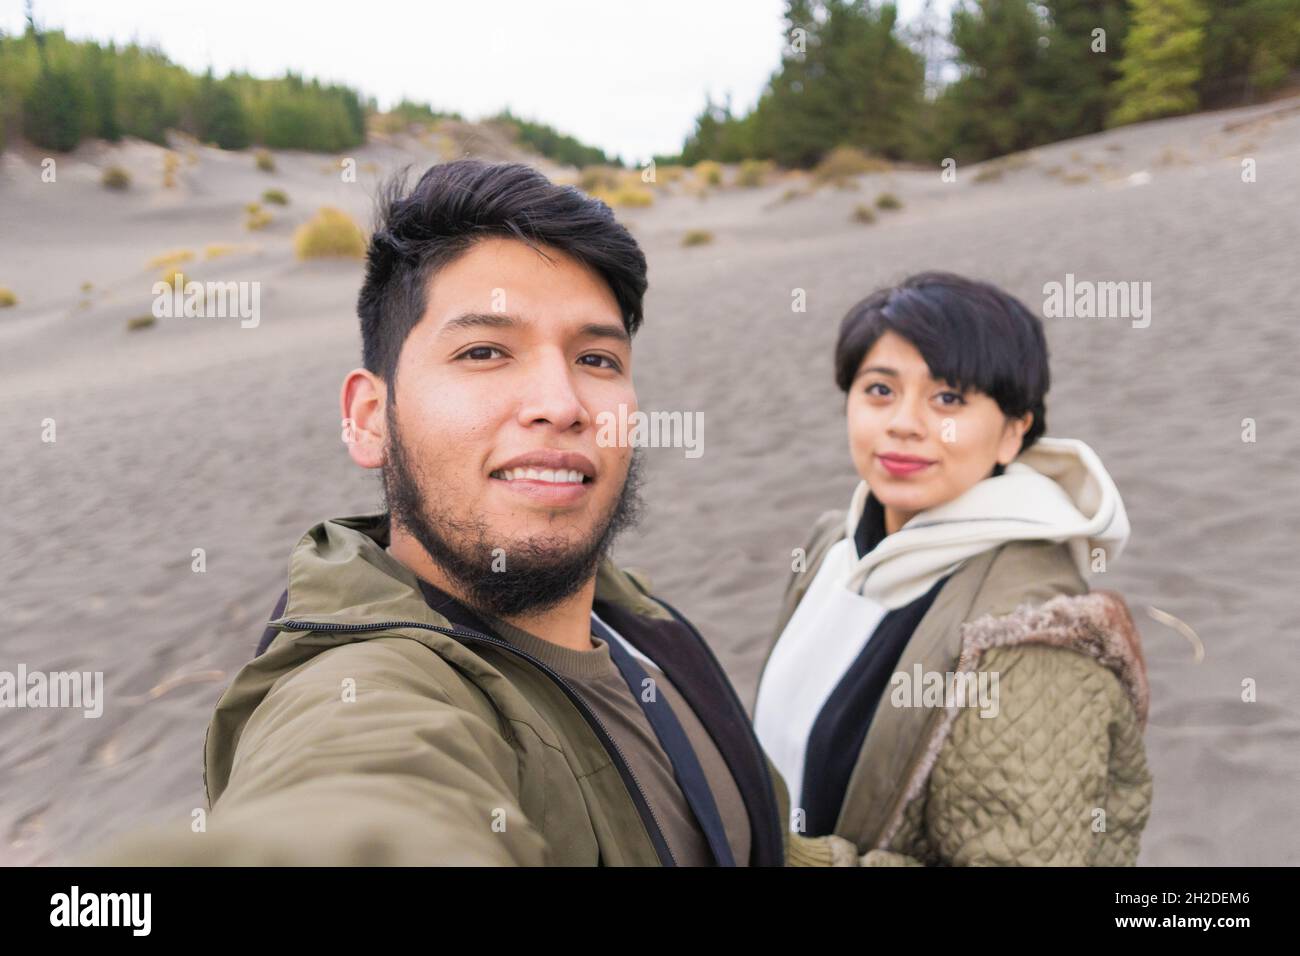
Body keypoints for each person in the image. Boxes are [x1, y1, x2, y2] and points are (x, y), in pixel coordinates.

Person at [87, 159, 845, 866]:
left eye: (597, 359)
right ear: (368, 418)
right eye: (484, 352)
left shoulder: (636, 623)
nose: (561, 404)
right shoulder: (362, 692)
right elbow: (360, 800)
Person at [754, 271, 1153, 866]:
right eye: (880, 390)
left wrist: (785, 856)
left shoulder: (1033, 636)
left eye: (949, 398)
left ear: (1013, 431)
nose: (905, 423)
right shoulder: (833, 547)